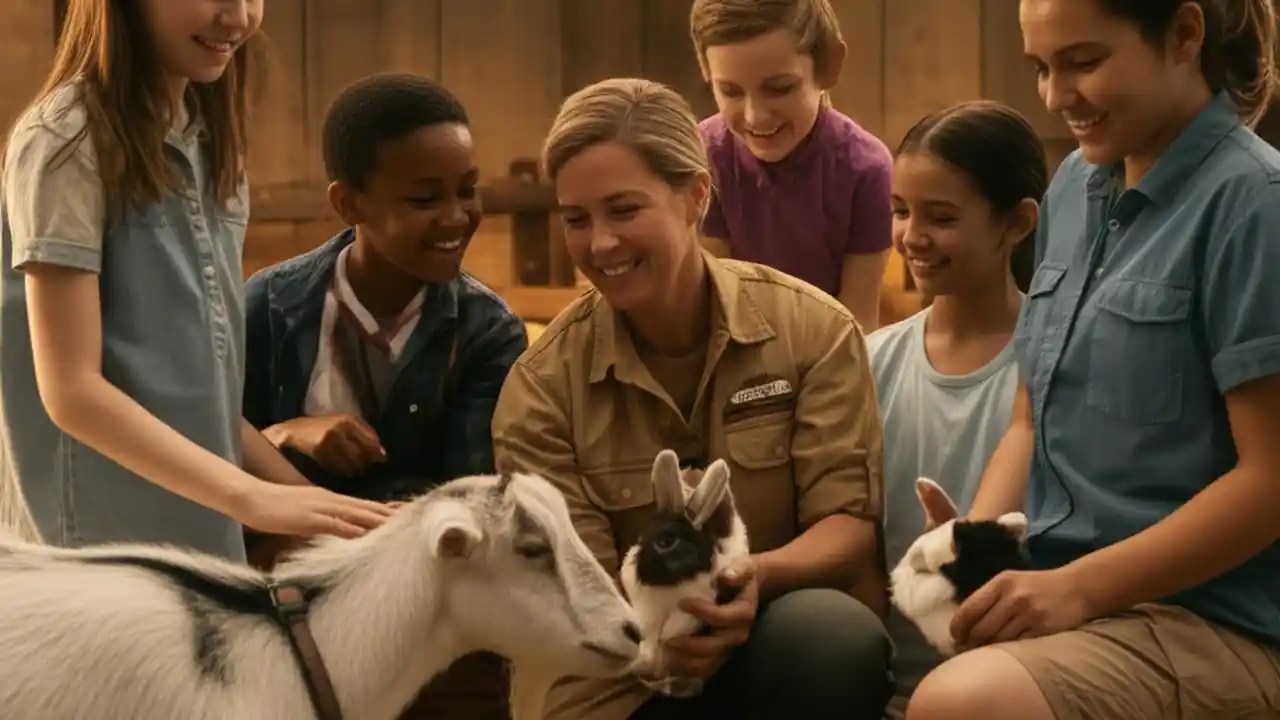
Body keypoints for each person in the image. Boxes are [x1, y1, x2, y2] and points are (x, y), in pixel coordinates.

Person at [907, 2, 1280, 718]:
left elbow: (1269, 481)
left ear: (1183, 36)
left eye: (1083, 63)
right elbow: (1028, 418)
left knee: (964, 703)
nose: (1053, 95)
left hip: (1210, 618)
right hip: (1065, 593)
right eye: (1041, 68)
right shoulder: (1074, 186)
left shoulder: (1252, 206)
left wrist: (1080, 587)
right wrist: (973, 546)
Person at [492, 77, 893, 720]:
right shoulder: (542, 387)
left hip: (768, 635)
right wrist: (660, 639)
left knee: (834, 638)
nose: (600, 244)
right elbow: (577, 585)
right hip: (614, 662)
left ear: (695, 196)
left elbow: (845, 526)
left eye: (624, 210)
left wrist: (751, 580)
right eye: (576, 219)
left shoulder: (811, 330)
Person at [0, 0, 390, 560]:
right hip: (96, 558)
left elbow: (197, 401)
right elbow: (73, 393)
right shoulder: (66, 140)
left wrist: (330, 512)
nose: (238, 16)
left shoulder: (210, 141)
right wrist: (251, 497)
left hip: (201, 549)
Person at [244, 72, 527, 504]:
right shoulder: (267, 305)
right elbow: (212, 452)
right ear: (349, 204)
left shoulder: (488, 332)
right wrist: (287, 434)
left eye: (467, 190)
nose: (456, 216)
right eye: (424, 199)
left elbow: (468, 503)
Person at [866, 101, 1045, 713]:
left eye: (940, 217)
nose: (911, 236)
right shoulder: (869, 363)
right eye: (899, 211)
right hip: (874, 676)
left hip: (1005, 685)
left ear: (1016, 223)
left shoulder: (1053, 366)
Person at [690, 0, 892, 330]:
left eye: (780, 88)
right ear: (706, 74)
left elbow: (858, 323)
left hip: (827, 354)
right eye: (731, 92)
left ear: (828, 66)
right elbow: (712, 306)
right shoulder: (704, 156)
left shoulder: (865, 170)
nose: (755, 116)